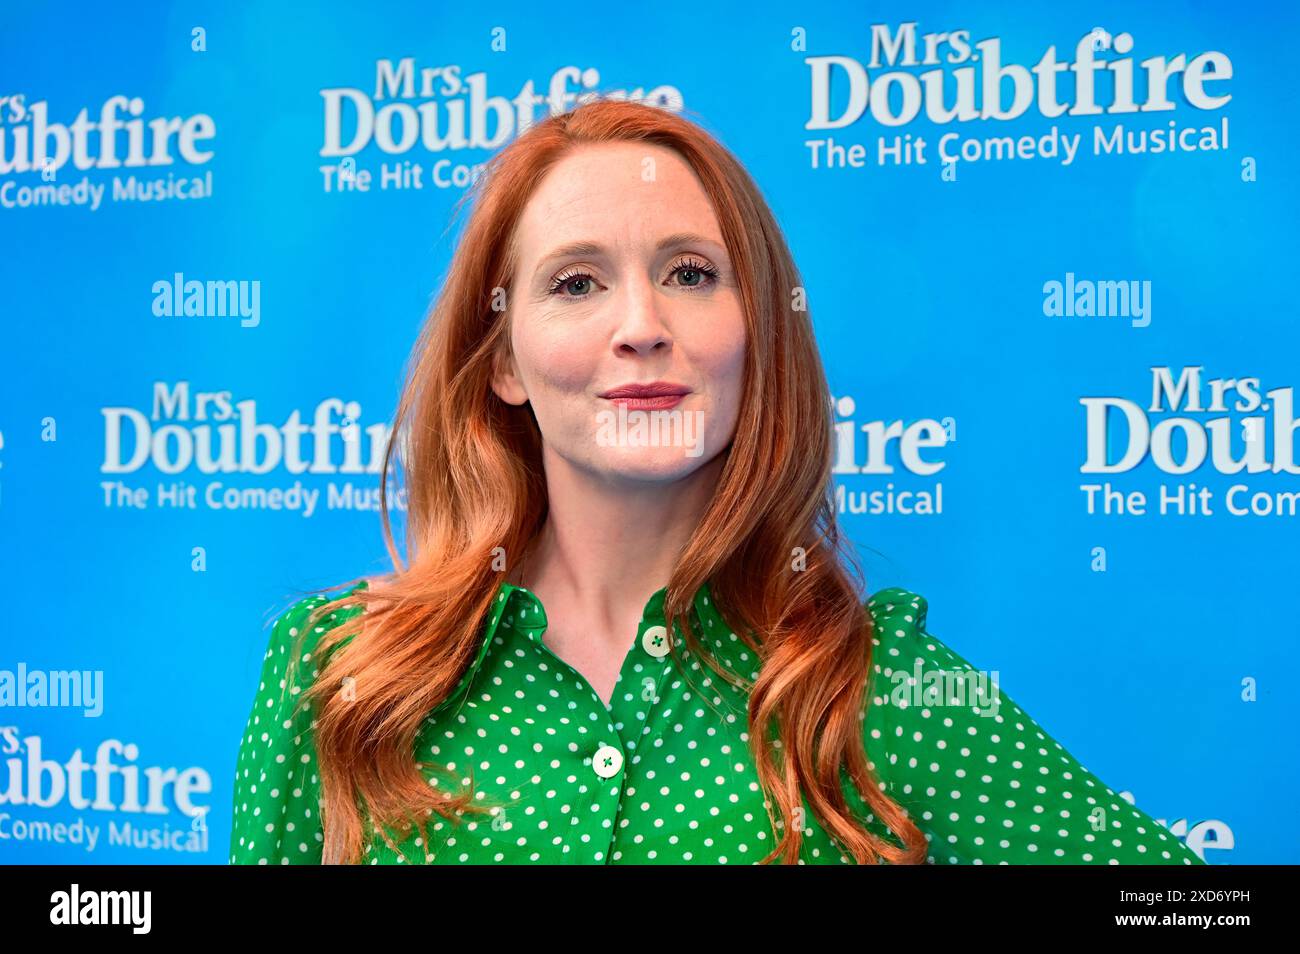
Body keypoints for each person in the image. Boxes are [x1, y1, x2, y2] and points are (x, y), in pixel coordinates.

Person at [230, 98, 1202, 866]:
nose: (642, 323)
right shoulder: (336, 673)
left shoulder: (871, 688)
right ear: (505, 362)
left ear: (758, 334)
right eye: (576, 282)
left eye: (692, 273)